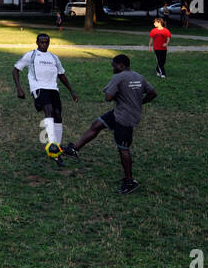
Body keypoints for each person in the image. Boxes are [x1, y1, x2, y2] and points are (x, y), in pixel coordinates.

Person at [61, 55, 156, 196]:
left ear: (121, 65)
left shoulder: (118, 77)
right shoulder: (138, 76)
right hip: (121, 112)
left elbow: (108, 97)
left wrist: (120, 95)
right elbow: (153, 93)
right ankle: (74, 149)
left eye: (114, 65)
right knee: (97, 124)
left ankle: (130, 181)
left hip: (124, 118)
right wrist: (140, 102)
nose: (112, 68)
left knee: (123, 148)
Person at [12, 33, 80, 166]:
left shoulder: (54, 57)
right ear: (37, 43)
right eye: (42, 42)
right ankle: (52, 147)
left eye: (46, 42)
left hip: (53, 89)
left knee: (58, 115)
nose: (44, 44)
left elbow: (62, 75)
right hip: (38, 88)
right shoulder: (30, 55)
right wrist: (19, 88)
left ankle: (58, 147)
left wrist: (72, 91)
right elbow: (15, 70)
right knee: (48, 110)